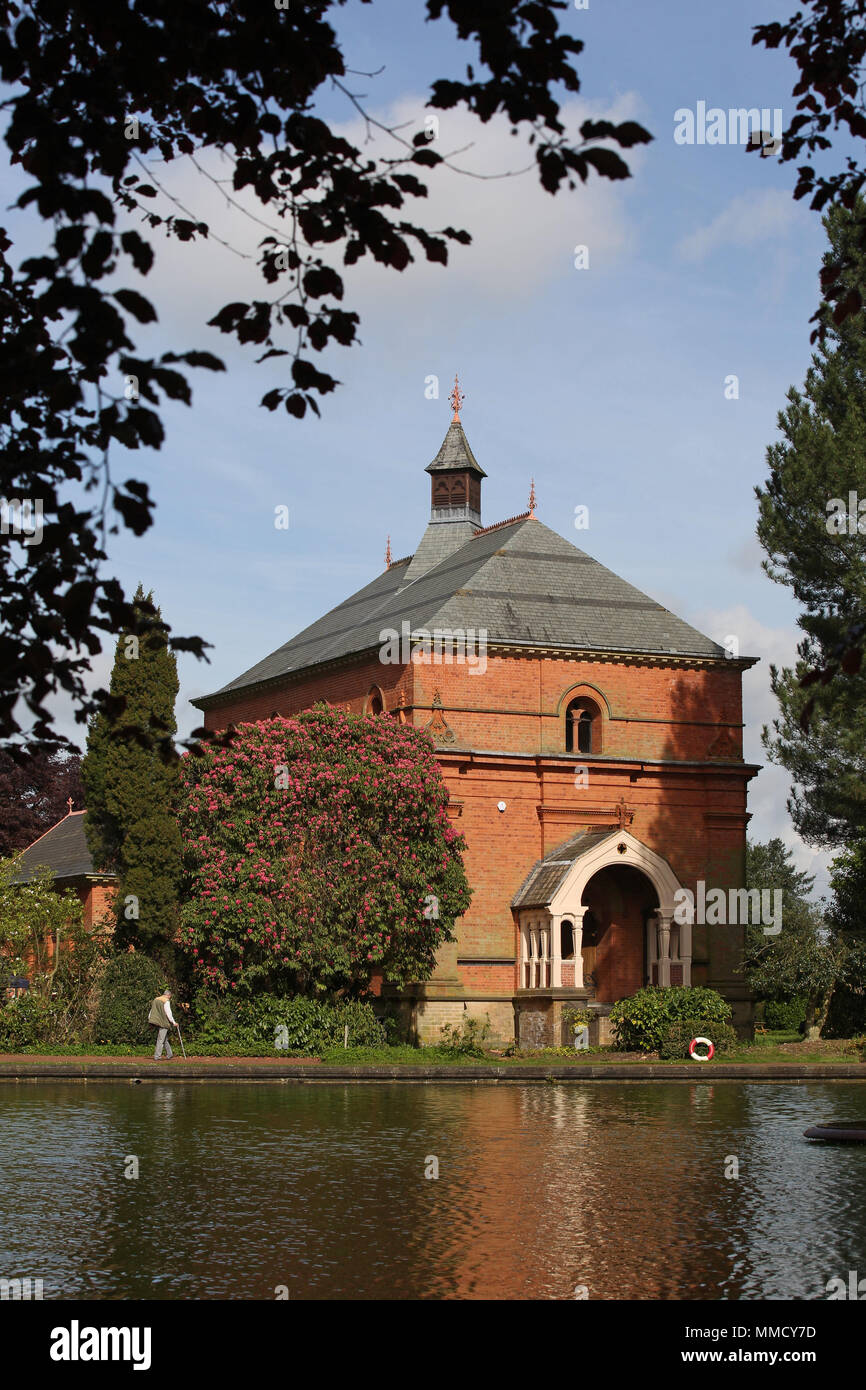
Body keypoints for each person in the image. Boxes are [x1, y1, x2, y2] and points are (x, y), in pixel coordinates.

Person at [148, 988, 178, 1061]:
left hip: (157, 1021)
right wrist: (174, 1022)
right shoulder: (166, 1001)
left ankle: (170, 1054)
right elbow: (168, 1013)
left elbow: (152, 1011)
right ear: (168, 995)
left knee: (164, 1039)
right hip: (163, 1022)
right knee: (161, 1039)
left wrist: (149, 1018)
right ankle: (157, 1056)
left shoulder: (156, 1000)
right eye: (170, 996)